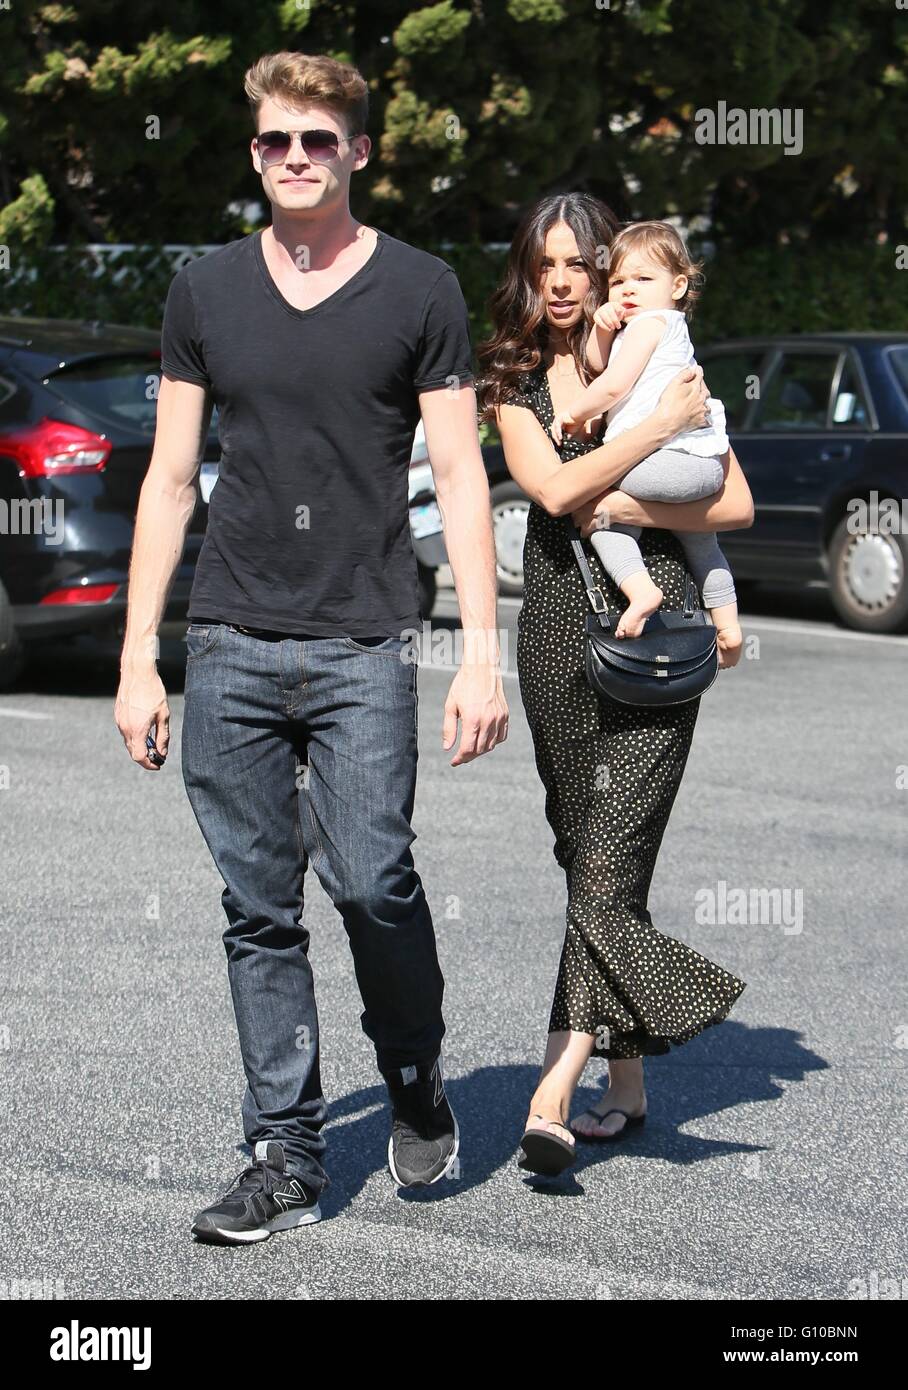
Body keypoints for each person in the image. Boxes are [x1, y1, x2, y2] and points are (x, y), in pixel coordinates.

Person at [114, 50, 508, 1243]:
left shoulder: (420, 289)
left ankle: (412, 1071)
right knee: (256, 907)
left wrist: (480, 650)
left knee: (373, 881)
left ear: (358, 151)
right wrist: (141, 652)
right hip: (228, 633)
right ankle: (284, 1155)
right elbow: (171, 475)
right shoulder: (204, 291)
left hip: (363, 638)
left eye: (319, 140)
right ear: (254, 154)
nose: (296, 159)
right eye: (277, 141)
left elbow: (456, 471)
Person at [479, 193, 752, 1177]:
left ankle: (550, 1094)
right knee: (583, 852)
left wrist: (664, 427)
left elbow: (734, 497)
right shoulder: (512, 379)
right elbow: (552, 492)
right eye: (543, 264)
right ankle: (627, 1084)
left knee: (608, 855)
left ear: (606, 272)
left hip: (655, 628)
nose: (561, 281)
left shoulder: (656, 357)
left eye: (579, 263)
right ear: (528, 273)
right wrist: (654, 433)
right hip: (554, 628)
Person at [549, 220, 741, 653]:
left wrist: (574, 414)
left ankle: (641, 592)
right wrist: (603, 327)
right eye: (617, 281)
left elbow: (611, 384)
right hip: (700, 463)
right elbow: (600, 362)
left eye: (642, 278)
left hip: (665, 462)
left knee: (603, 514)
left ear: (677, 286)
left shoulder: (650, 325)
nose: (627, 290)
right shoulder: (660, 329)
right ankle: (728, 625)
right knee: (702, 543)